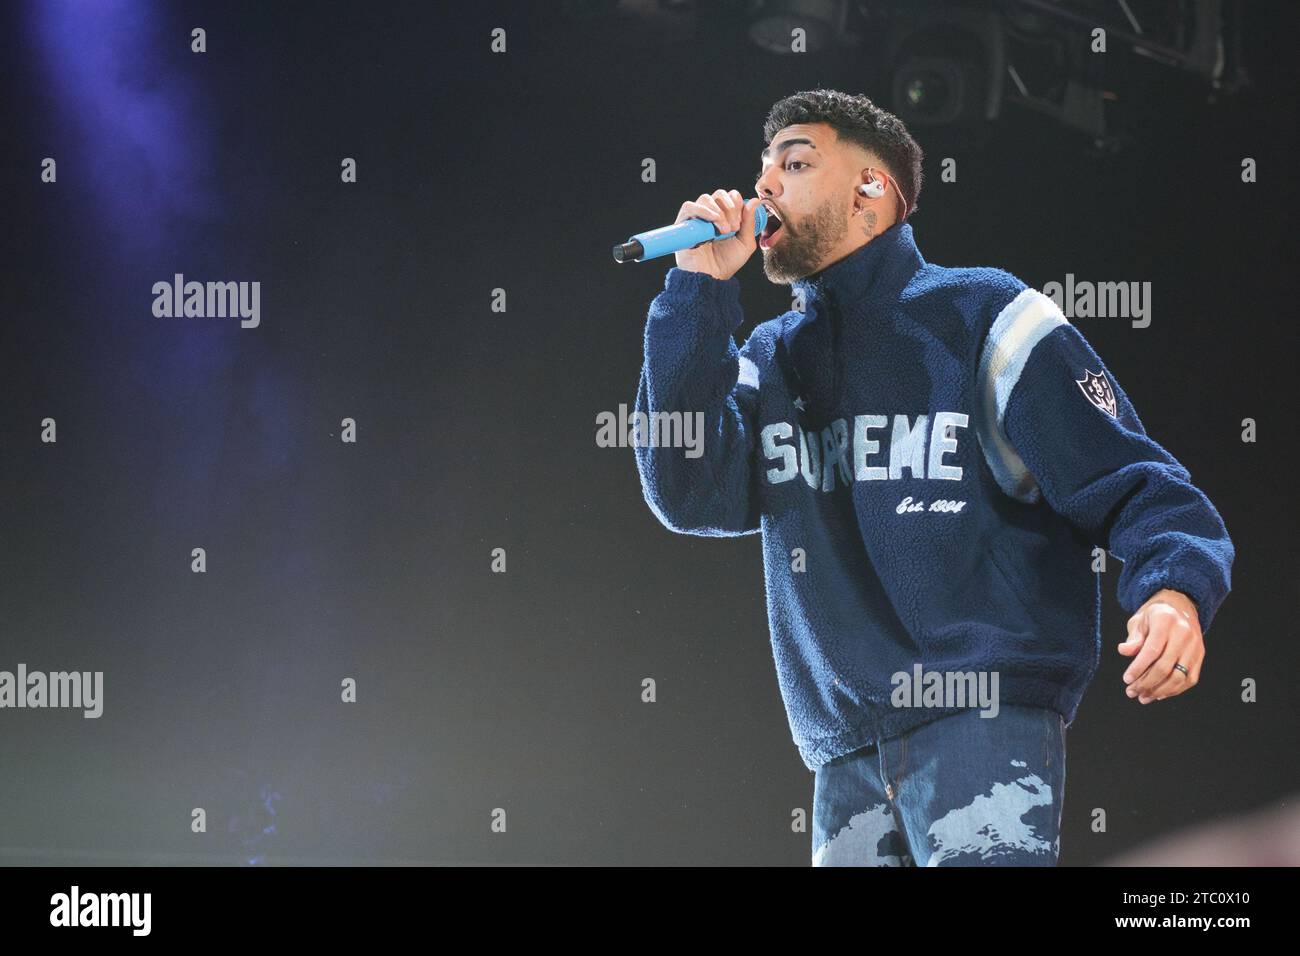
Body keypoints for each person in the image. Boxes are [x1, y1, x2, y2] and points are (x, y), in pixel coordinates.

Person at [631, 89, 1234, 866]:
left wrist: (1174, 592)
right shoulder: (766, 356)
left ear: (871, 192)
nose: (763, 187)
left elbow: (1136, 480)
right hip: (843, 753)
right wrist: (698, 292)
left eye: (795, 162)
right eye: (762, 167)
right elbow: (687, 493)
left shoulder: (985, 313)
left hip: (981, 720)